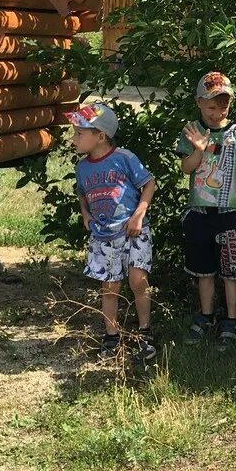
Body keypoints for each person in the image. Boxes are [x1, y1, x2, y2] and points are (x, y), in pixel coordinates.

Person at [68, 101, 157, 365]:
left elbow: (149, 183)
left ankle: (145, 334)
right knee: (109, 288)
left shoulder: (124, 158)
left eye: (79, 133)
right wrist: (85, 214)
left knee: (138, 281)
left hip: (133, 231)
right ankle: (111, 338)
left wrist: (139, 213)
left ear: (100, 136)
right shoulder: (82, 168)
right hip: (103, 236)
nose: (74, 139)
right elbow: (83, 194)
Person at [177, 71, 236, 346]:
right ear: (199, 102)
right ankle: (206, 316)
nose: (218, 111)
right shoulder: (192, 130)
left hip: (229, 214)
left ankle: (232, 320)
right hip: (200, 213)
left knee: (232, 271)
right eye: (212, 106)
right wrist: (198, 150)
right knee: (204, 270)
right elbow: (185, 168)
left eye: (223, 105)